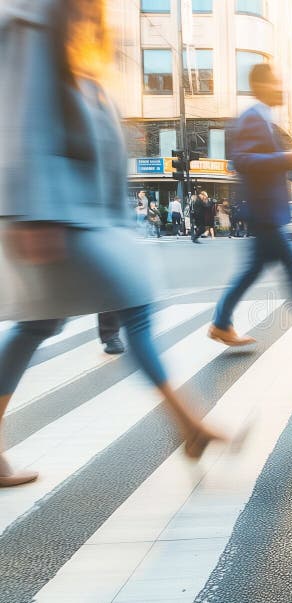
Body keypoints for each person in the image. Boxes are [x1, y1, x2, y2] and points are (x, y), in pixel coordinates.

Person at [0, 0, 222, 487]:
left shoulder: (75, 38)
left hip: (85, 216)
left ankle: (190, 426)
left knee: (38, 324)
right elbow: (21, 121)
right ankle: (190, 424)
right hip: (55, 212)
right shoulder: (34, 20)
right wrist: (31, 213)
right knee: (124, 310)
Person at [209, 63, 292, 346]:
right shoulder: (252, 118)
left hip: (267, 212)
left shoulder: (264, 119)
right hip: (263, 213)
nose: (282, 88)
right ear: (261, 86)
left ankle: (221, 323)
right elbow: (242, 160)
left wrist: (288, 162)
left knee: (254, 271)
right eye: (277, 83)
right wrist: (288, 158)